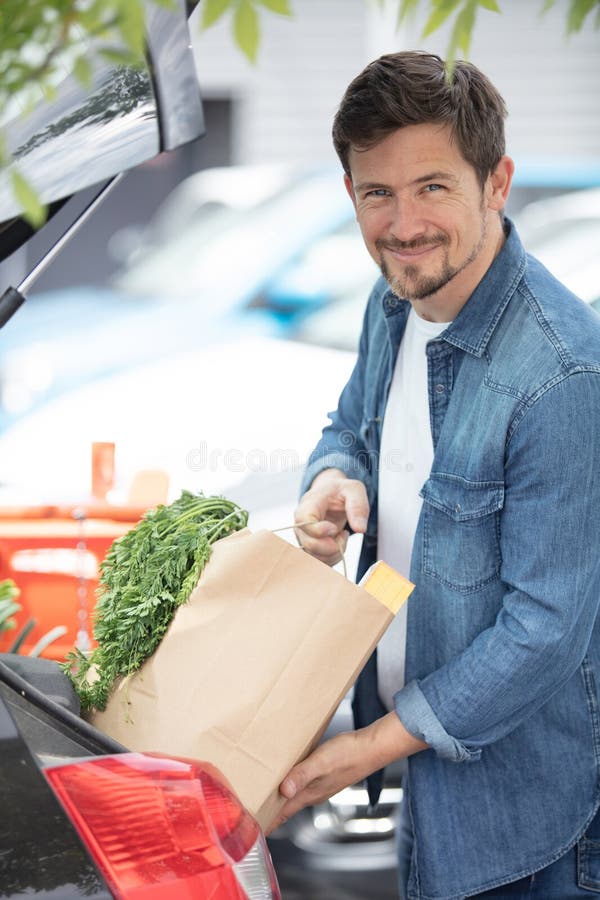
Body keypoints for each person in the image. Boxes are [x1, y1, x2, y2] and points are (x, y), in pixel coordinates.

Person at [271, 51, 600, 899]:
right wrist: (332, 478)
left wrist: (363, 751)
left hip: (536, 825)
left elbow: (545, 632)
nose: (404, 222)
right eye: (378, 193)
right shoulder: (396, 300)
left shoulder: (563, 377)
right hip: (430, 786)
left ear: (497, 182)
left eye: (433, 187)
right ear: (350, 194)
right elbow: (349, 426)